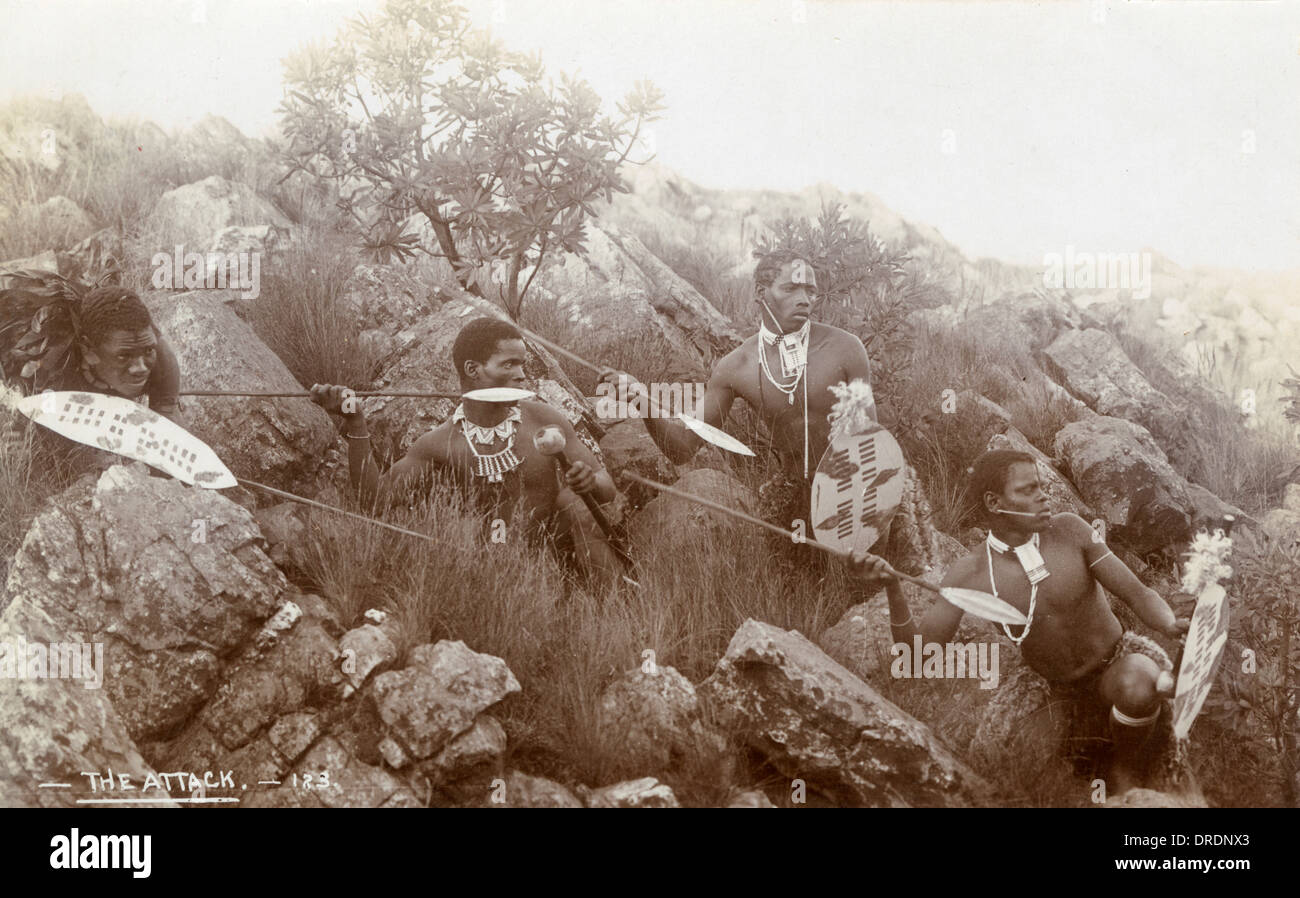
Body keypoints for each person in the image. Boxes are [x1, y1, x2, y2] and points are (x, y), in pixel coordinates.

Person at [854, 449, 1190, 792]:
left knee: (1138, 683)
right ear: (994, 503)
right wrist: (893, 588)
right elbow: (917, 656)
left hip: (1115, 666)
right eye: (1027, 490)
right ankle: (1085, 764)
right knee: (1013, 760)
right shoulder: (971, 574)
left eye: (1040, 486)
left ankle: (1126, 772)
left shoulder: (1071, 531)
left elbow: (1137, 593)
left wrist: (1168, 623)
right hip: (1053, 691)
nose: (1043, 495)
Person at [310, 316, 623, 587]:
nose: (521, 375)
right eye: (509, 364)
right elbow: (375, 503)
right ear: (473, 369)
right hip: (497, 570)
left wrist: (589, 483)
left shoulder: (543, 417)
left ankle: (615, 613)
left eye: (522, 364)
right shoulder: (439, 443)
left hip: (565, 550)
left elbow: (607, 488)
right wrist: (356, 421)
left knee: (574, 501)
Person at [600, 248, 874, 526]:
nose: (803, 300)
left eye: (810, 291)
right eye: (790, 288)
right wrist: (643, 402)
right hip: (795, 497)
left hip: (859, 487)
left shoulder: (845, 348)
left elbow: (870, 442)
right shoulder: (737, 365)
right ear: (760, 292)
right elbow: (682, 448)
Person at [2, 285, 183, 478]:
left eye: (148, 351)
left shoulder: (161, 360)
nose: (140, 367)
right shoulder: (46, 370)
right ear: (88, 351)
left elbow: (169, 438)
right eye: (124, 356)